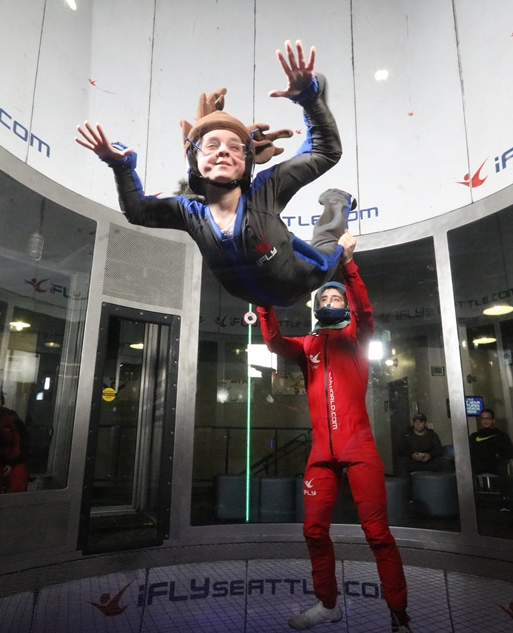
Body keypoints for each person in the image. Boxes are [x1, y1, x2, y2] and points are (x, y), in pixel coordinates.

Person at [76, 39, 355, 307]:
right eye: (212, 145)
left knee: (331, 243)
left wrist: (309, 101)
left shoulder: (266, 190)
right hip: (256, 294)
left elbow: (324, 153)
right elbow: (138, 211)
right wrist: (121, 166)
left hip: (304, 278)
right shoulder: (190, 213)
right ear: (195, 160)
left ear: (246, 162)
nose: (223, 151)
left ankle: (337, 200)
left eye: (235, 147)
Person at [258, 233, 411, 633]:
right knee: (313, 531)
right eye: (323, 300)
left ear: (345, 307)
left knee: (377, 533)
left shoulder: (358, 339)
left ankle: (399, 616)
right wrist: (262, 297)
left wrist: (347, 263)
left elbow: (366, 309)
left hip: (359, 448)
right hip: (321, 454)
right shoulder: (307, 345)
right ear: (315, 308)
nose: (329, 303)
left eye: (335, 299)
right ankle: (328, 606)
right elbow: (273, 341)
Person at [469, 408, 513, 504]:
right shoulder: (474, 436)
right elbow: (470, 451)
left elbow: (509, 452)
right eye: (483, 418)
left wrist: (500, 456)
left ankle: (505, 499)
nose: (485, 421)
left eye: (488, 418)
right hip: (479, 464)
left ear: (493, 420)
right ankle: (469, 499)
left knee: (502, 467)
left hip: (495, 463)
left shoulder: (501, 435)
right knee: (466, 470)